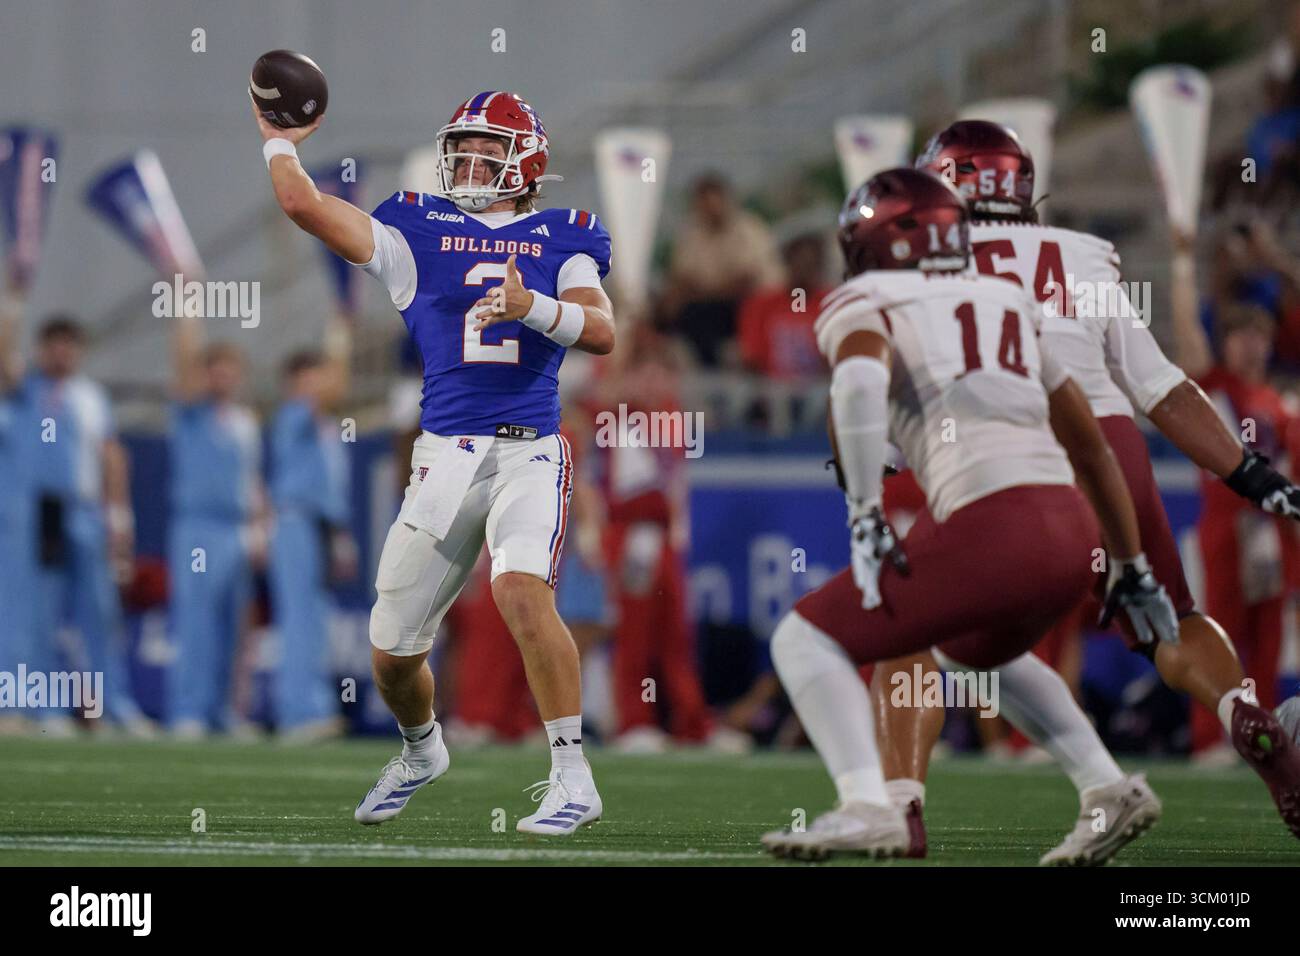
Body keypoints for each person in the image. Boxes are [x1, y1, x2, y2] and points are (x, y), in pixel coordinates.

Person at [760, 168, 1179, 861]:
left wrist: (864, 511)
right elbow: (1090, 443)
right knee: (965, 648)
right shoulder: (1004, 298)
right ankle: (1107, 785)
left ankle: (868, 803)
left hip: (994, 523)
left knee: (801, 640)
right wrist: (1130, 564)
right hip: (1069, 528)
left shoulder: (865, 297)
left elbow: (859, 382)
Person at [253, 89, 616, 835]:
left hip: (530, 450)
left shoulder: (565, 234)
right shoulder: (415, 227)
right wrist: (279, 141)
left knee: (521, 593)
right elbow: (303, 206)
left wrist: (533, 309)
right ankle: (422, 750)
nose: (470, 161)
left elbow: (603, 329)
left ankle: (573, 778)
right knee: (391, 658)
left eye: (488, 149)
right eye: (463, 148)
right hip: (444, 458)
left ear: (529, 161)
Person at [23, 316, 146, 732]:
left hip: (86, 510)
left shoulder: (91, 397)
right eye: (53, 344)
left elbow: (111, 456)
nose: (61, 353)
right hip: (39, 514)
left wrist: (119, 514)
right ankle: (44, 709)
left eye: (69, 345)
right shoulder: (23, 392)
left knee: (100, 611)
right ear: (40, 350)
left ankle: (116, 705)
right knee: (39, 615)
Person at [167, 303, 266, 737]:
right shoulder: (191, 411)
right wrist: (189, 309)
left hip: (237, 529)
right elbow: (185, 367)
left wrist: (261, 529)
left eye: (230, 370)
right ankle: (188, 709)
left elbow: (254, 481)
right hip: (198, 528)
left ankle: (226, 712)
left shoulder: (247, 423)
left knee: (233, 625)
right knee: (196, 620)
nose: (222, 378)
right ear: (204, 375)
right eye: (215, 370)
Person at [268, 340, 355, 740]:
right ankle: (296, 711)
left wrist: (340, 535)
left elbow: (332, 489)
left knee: (317, 619)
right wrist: (342, 327)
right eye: (306, 381)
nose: (315, 387)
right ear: (291, 387)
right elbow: (334, 389)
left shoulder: (328, 430)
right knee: (299, 619)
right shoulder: (292, 418)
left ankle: (314, 706)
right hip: (294, 522)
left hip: (321, 527)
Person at [664, 173, 782, 366]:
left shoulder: (749, 228)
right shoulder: (692, 234)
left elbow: (745, 281)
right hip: (712, 305)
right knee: (686, 314)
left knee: (701, 313)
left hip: (753, 304)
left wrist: (703, 291)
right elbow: (682, 277)